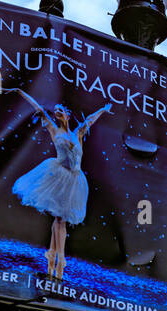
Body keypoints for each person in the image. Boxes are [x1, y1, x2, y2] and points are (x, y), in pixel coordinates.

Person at [9, 88, 113, 279]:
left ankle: (52, 256)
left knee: (60, 220)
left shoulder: (78, 133)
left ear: (67, 114)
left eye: (60, 111)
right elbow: (38, 107)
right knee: (59, 220)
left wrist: (103, 110)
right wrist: (19, 91)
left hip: (74, 179)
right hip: (59, 176)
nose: (57, 114)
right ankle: (60, 260)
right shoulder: (53, 129)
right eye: (55, 112)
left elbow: (90, 119)